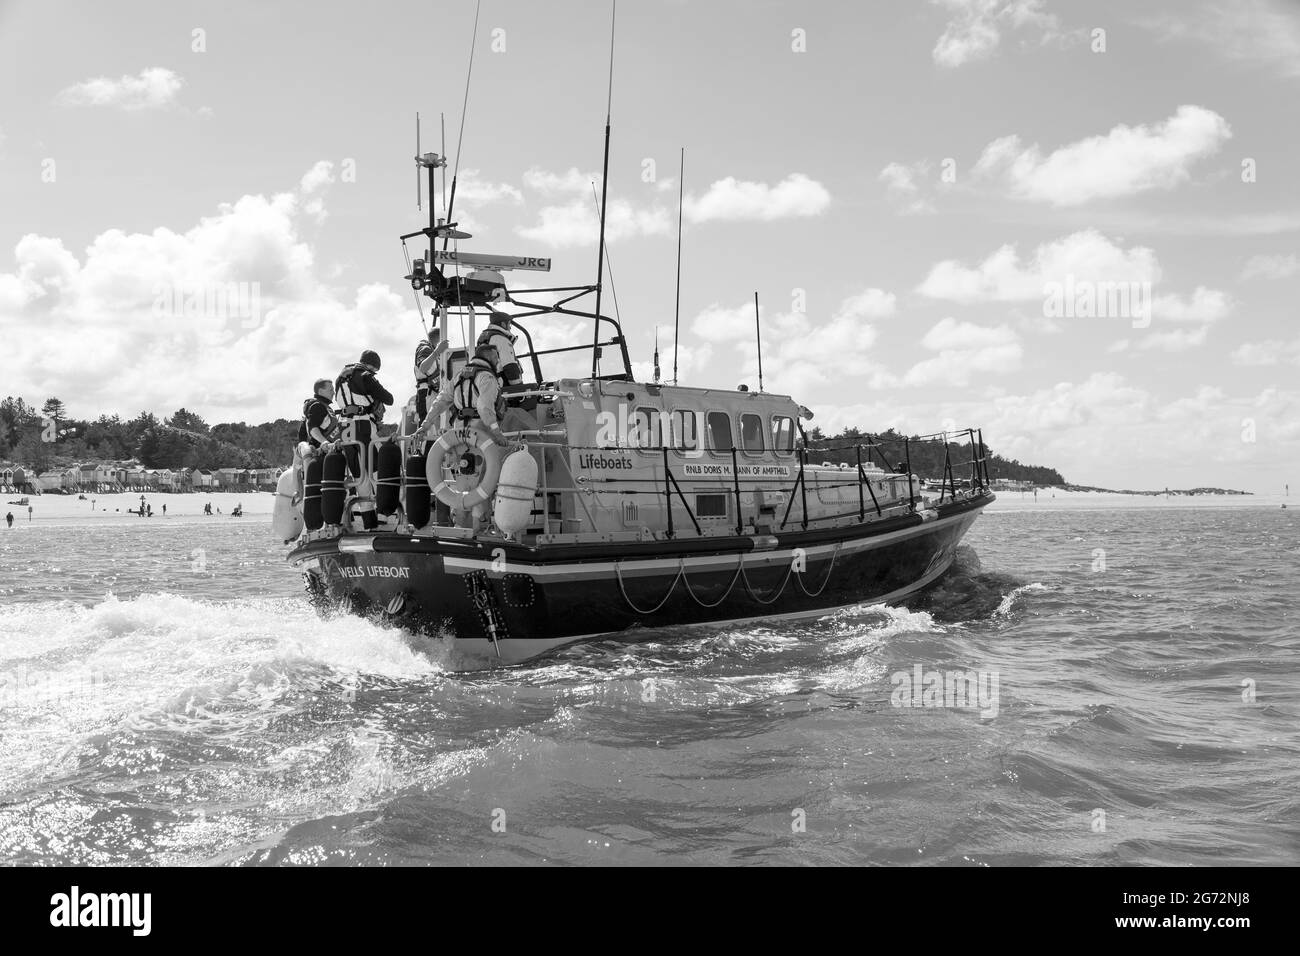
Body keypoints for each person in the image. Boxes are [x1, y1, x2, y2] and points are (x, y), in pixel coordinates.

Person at [335, 349, 395, 531]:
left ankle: (369, 523)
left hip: (345, 429)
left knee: (359, 476)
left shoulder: (340, 378)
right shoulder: (366, 376)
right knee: (377, 470)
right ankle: (384, 517)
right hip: (364, 426)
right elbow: (389, 399)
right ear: (372, 366)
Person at [414, 327, 449, 425]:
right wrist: (437, 351)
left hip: (431, 393)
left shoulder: (431, 350)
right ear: (439, 339)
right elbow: (423, 367)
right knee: (429, 430)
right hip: (426, 394)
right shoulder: (425, 349)